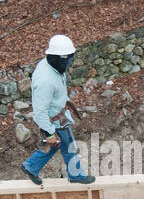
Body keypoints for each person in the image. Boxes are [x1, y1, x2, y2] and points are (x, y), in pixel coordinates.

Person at [21, 34, 96, 186]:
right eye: (67, 59)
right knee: (68, 145)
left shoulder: (51, 65)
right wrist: (49, 133)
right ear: (59, 58)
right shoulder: (45, 81)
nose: (70, 62)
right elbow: (40, 112)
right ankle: (75, 175)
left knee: (56, 145)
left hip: (58, 114)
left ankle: (31, 166)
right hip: (53, 120)